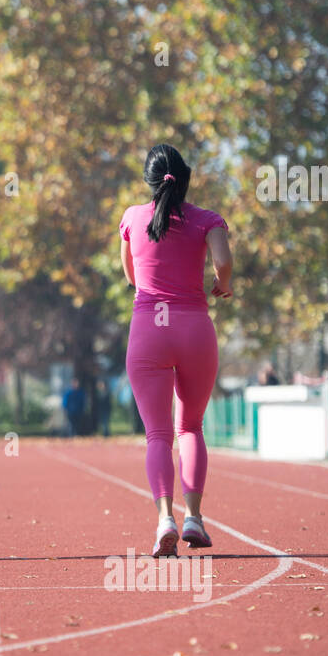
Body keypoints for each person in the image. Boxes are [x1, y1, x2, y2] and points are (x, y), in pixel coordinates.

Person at [118, 144, 233, 558]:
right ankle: (194, 519)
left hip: (150, 327)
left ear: (150, 180)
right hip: (193, 328)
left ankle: (164, 517)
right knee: (191, 428)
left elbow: (131, 273)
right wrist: (223, 283)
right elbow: (223, 263)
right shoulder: (209, 220)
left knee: (157, 434)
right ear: (186, 179)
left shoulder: (132, 218)